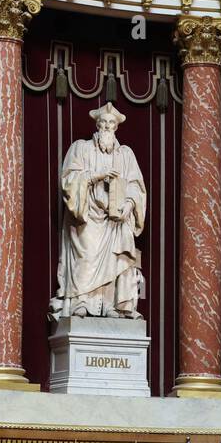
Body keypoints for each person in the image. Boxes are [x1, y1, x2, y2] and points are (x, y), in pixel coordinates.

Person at [53, 104, 147, 320]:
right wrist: (97, 176)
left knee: (119, 258)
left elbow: (136, 185)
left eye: (111, 123)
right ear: (97, 125)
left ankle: (113, 305)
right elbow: (69, 179)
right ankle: (81, 300)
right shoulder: (81, 148)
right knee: (86, 255)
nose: (107, 126)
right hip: (88, 216)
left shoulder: (126, 155)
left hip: (116, 220)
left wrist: (129, 205)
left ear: (116, 128)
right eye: (103, 123)